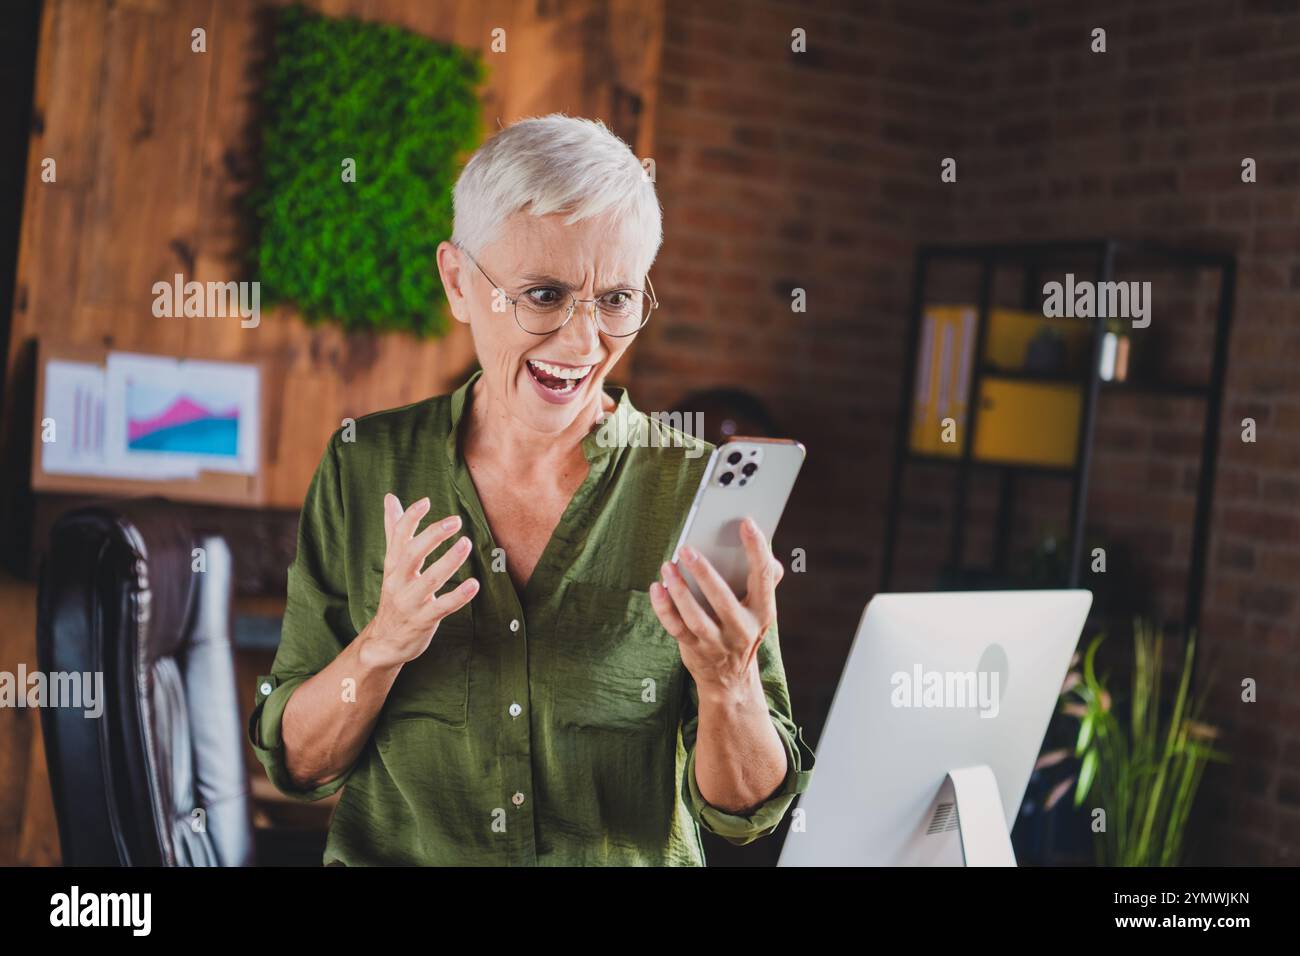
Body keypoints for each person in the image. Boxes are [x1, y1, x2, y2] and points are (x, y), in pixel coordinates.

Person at [247, 113, 815, 865]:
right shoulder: (365, 466)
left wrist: (728, 683)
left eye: (614, 300)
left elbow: (745, 812)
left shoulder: (695, 493)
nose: (582, 345)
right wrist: (382, 647)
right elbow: (301, 765)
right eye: (543, 295)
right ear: (457, 281)